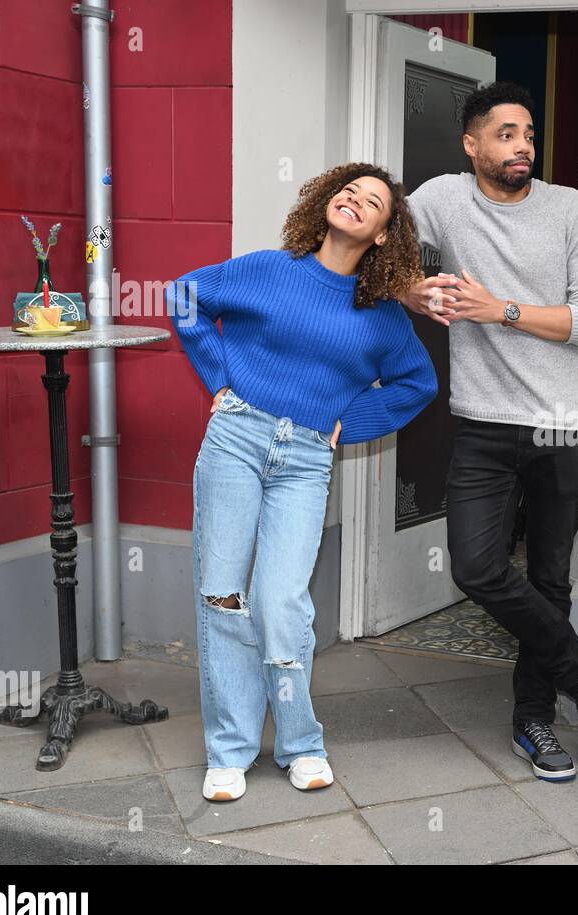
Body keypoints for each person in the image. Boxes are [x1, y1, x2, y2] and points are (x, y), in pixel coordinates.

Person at [169, 163, 437, 801]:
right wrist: (221, 381)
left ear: (381, 235)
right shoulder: (270, 268)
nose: (355, 200)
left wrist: (353, 419)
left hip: (307, 459)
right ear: (324, 201)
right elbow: (184, 296)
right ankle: (229, 749)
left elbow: (418, 384)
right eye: (348, 190)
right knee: (224, 595)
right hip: (236, 440)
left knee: (281, 602)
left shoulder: (381, 316)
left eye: (371, 201)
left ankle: (299, 742)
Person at [398, 81, 578, 782]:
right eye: (505, 134)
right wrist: (412, 289)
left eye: (528, 133)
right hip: (483, 423)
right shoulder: (441, 199)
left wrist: (502, 311)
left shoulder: (569, 208)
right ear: (472, 144)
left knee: (550, 577)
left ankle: (534, 721)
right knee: (477, 567)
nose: (522, 145)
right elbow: (376, 246)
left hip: (561, 423)